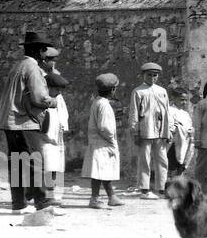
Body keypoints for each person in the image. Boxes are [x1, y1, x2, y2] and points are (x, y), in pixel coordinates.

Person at [0, 31, 57, 214]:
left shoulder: (17, 66)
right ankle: (42, 203)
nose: (46, 54)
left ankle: (19, 204)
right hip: (24, 122)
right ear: (39, 51)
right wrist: (52, 102)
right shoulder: (33, 68)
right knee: (35, 162)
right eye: (44, 50)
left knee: (16, 164)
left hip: (9, 121)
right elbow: (39, 98)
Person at [127, 62, 171, 199]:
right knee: (144, 160)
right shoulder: (138, 91)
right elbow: (134, 113)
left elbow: (167, 111)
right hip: (145, 129)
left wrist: (168, 130)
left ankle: (161, 188)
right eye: (149, 75)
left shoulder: (162, 91)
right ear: (143, 75)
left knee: (162, 160)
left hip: (160, 130)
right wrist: (135, 131)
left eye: (155, 75)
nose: (152, 78)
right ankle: (144, 189)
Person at [83, 74, 124, 209]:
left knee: (105, 170)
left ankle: (111, 196)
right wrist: (112, 140)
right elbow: (104, 127)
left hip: (99, 142)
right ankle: (94, 198)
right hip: (103, 143)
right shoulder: (104, 105)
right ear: (112, 90)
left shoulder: (97, 101)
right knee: (98, 172)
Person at [42, 70, 71, 205]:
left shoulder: (58, 98)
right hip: (45, 140)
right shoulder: (41, 98)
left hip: (56, 139)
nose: (59, 92)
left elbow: (63, 115)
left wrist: (64, 129)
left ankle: (52, 194)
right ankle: (45, 195)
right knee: (47, 167)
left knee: (55, 167)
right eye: (56, 89)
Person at [167, 86, 195, 178]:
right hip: (174, 143)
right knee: (172, 164)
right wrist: (176, 127)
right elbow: (169, 126)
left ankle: (177, 185)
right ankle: (169, 185)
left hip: (185, 143)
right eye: (181, 100)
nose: (184, 102)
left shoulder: (185, 114)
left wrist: (191, 130)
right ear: (173, 98)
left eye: (186, 100)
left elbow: (189, 126)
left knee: (181, 165)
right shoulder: (170, 111)